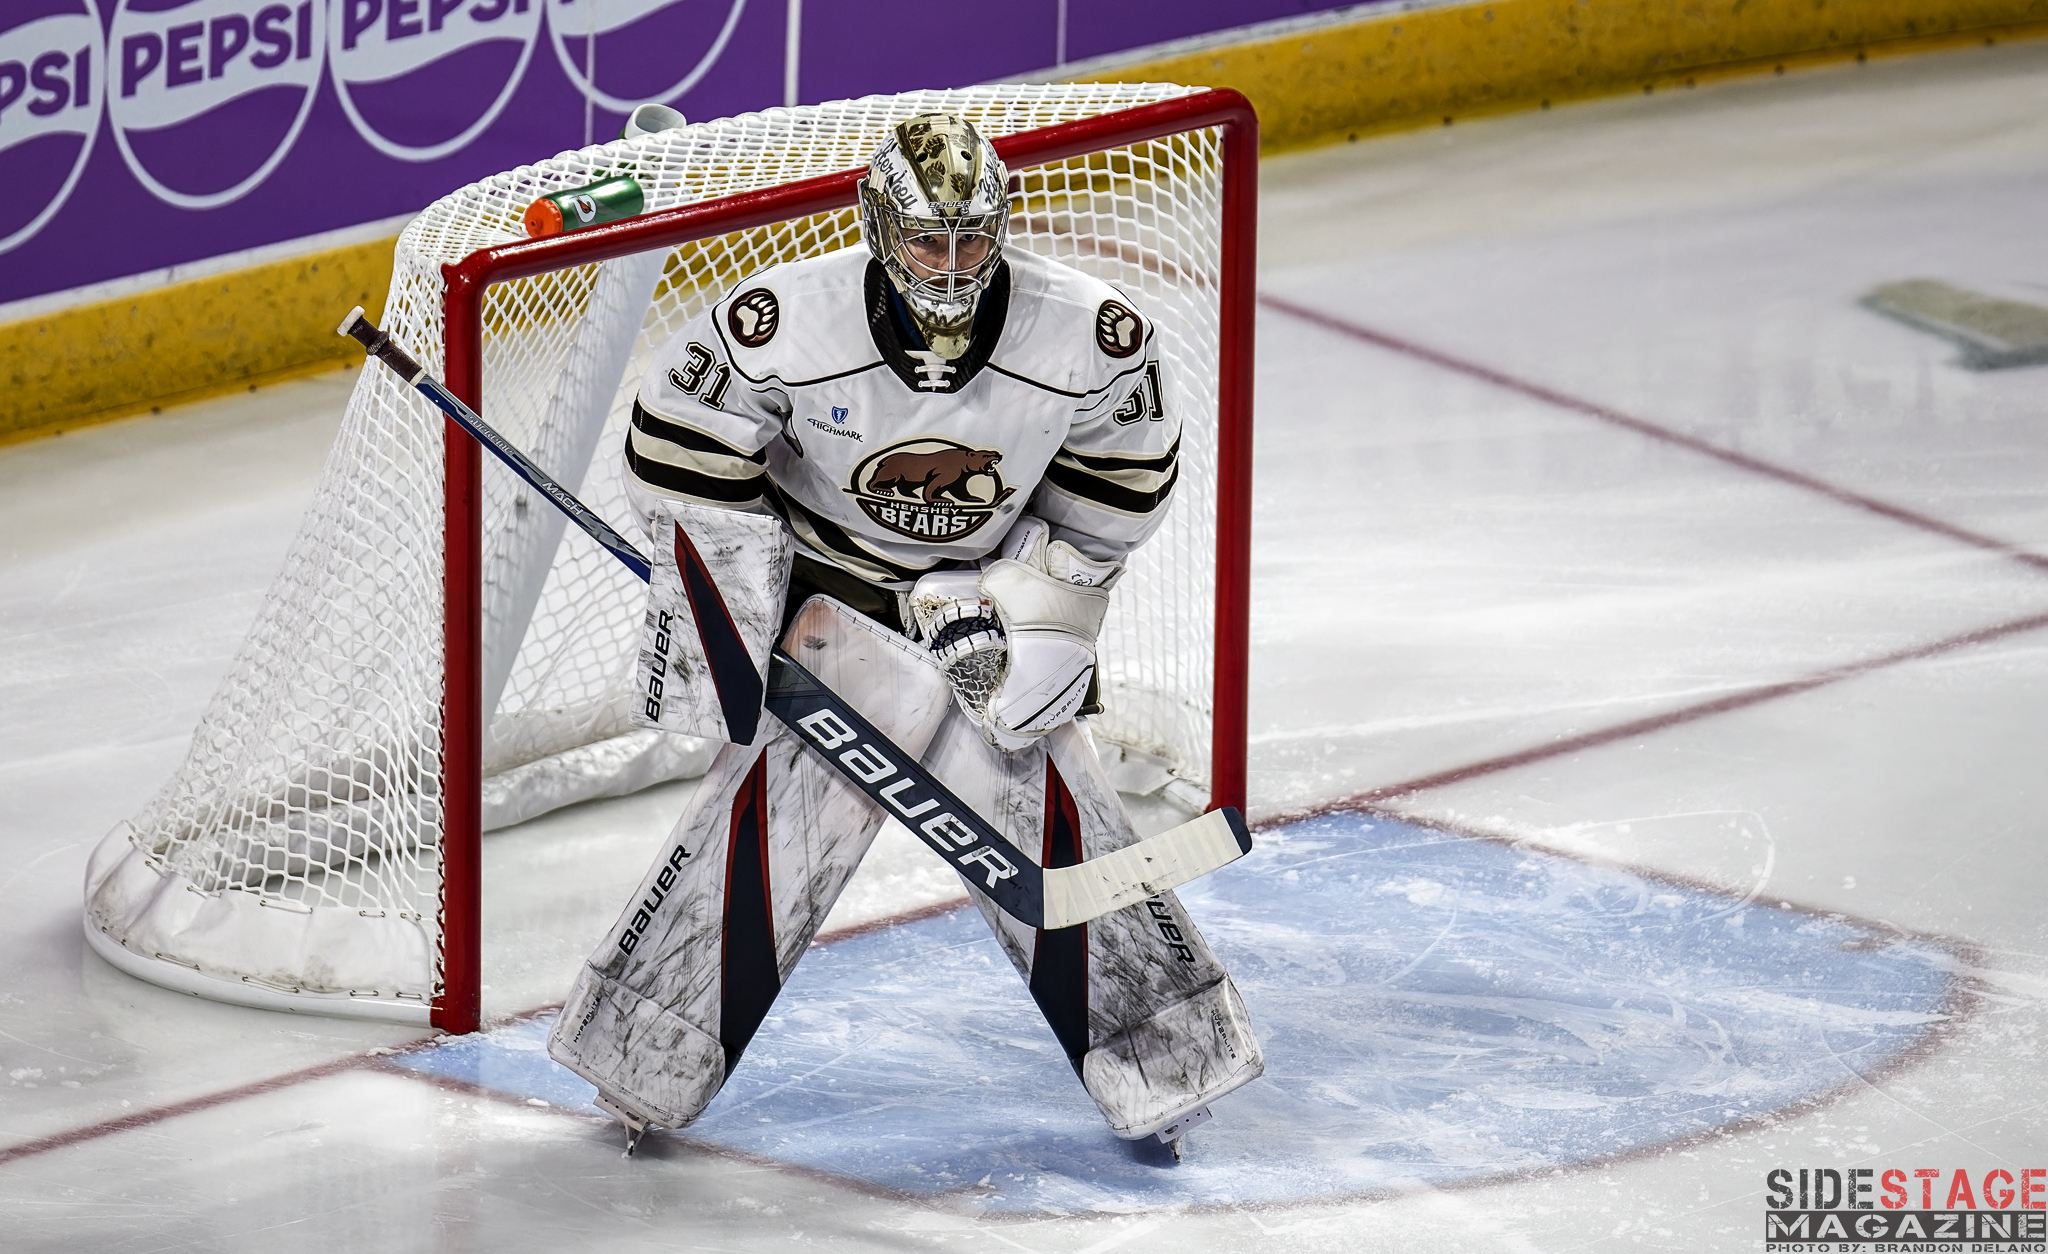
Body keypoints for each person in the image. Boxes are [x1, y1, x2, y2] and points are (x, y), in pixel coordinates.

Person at [547, 113, 1262, 1151]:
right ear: (878, 227)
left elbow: (1122, 480)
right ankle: (642, 1059)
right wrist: (750, 609)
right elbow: (675, 457)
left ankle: (1165, 1059)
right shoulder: (780, 322)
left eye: (973, 239)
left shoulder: (1087, 333)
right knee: (769, 829)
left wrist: (1043, 613)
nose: (951, 264)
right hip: (828, 615)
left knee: (1048, 809)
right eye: (929, 240)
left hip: (982, 604)